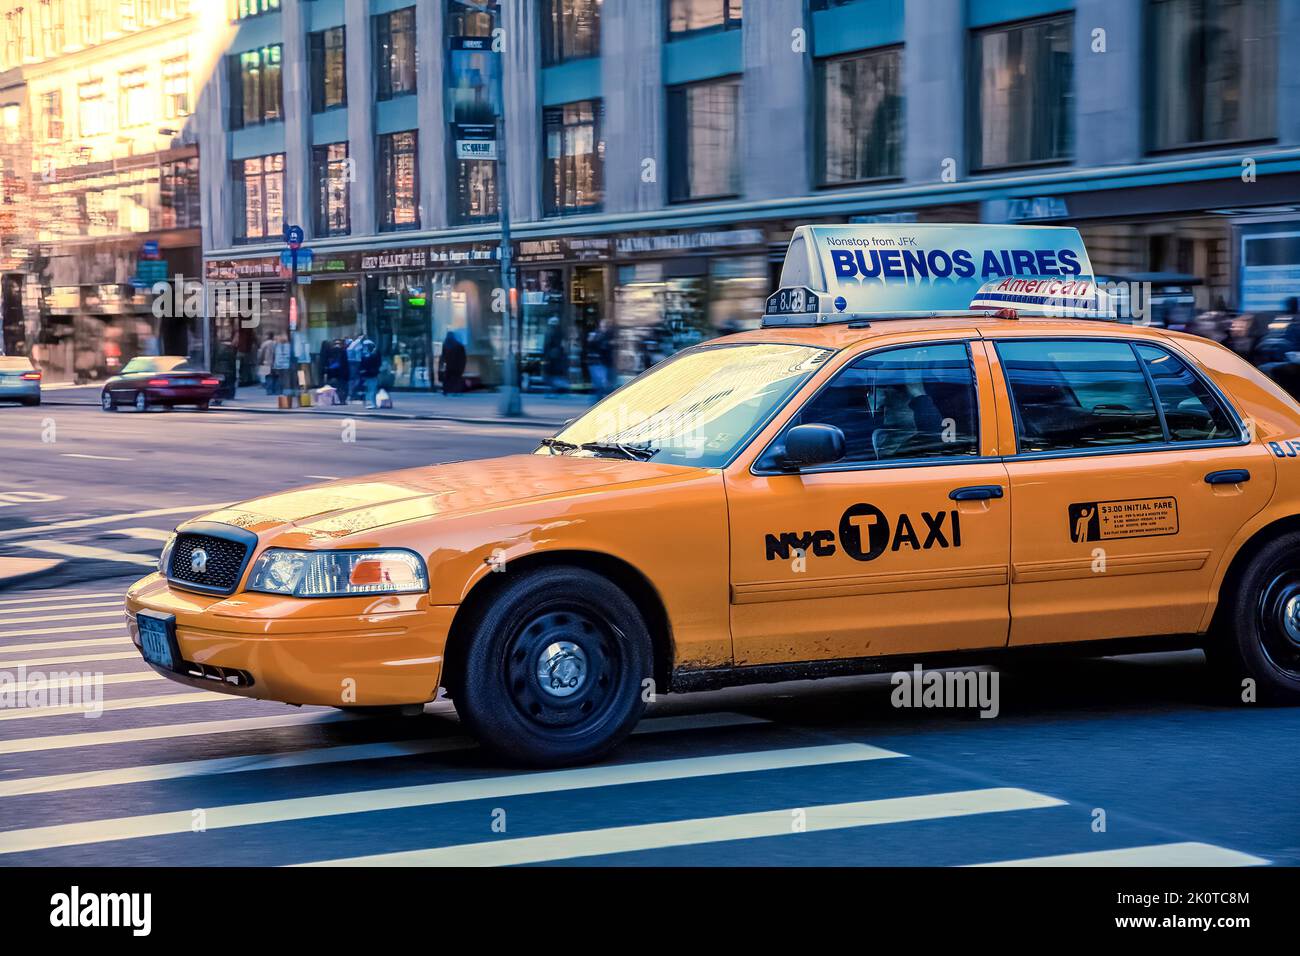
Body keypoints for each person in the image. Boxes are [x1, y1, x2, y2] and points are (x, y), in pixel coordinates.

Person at [585, 319, 614, 398]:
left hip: (604, 362)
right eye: (604, 325)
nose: (605, 327)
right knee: (600, 383)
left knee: (603, 383)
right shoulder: (596, 334)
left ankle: (599, 398)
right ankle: (598, 399)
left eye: (606, 326)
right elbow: (592, 345)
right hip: (597, 362)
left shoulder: (609, 335)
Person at [543, 316, 568, 397]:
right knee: (554, 375)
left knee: (549, 375)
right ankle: (554, 391)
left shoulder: (548, 332)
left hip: (550, 357)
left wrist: (545, 356)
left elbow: (546, 345)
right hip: (557, 357)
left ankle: (550, 391)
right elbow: (563, 345)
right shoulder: (560, 332)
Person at [439, 330, 466, 396]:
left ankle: (445, 391)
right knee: (456, 379)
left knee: (447, 378)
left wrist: (442, 364)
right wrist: (462, 365)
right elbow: (463, 357)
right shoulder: (459, 345)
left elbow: (443, 356)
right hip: (457, 365)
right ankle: (456, 391)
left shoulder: (445, 345)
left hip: (448, 365)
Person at [359, 338, 382, 409]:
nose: (365, 347)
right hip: (369, 374)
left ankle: (373, 403)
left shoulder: (373, 354)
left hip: (371, 374)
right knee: (370, 389)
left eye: (367, 346)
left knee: (372, 389)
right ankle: (371, 403)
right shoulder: (368, 354)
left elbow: (370, 363)